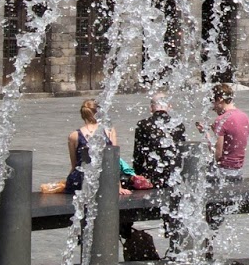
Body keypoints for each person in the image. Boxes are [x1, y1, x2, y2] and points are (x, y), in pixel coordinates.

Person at [133, 93, 189, 249]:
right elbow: (181, 153)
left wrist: (138, 176)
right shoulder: (179, 125)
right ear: (169, 106)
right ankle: (175, 238)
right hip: (173, 177)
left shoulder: (143, 124)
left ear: (152, 108)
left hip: (153, 178)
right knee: (175, 209)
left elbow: (138, 155)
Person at [205, 82, 249, 226]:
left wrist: (206, 134)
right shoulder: (244, 116)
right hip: (238, 171)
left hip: (222, 173)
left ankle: (207, 233)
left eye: (213, 102)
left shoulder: (220, 120)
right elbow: (234, 139)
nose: (212, 106)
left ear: (220, 100)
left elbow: (217, 155)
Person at [65, 98, 125, 196]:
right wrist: (118, 186)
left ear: (82, 115)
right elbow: (114, 160)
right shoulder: (109, 131)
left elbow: (75, 165)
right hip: (103, 179)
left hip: (80, 180)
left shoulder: (74, 135)